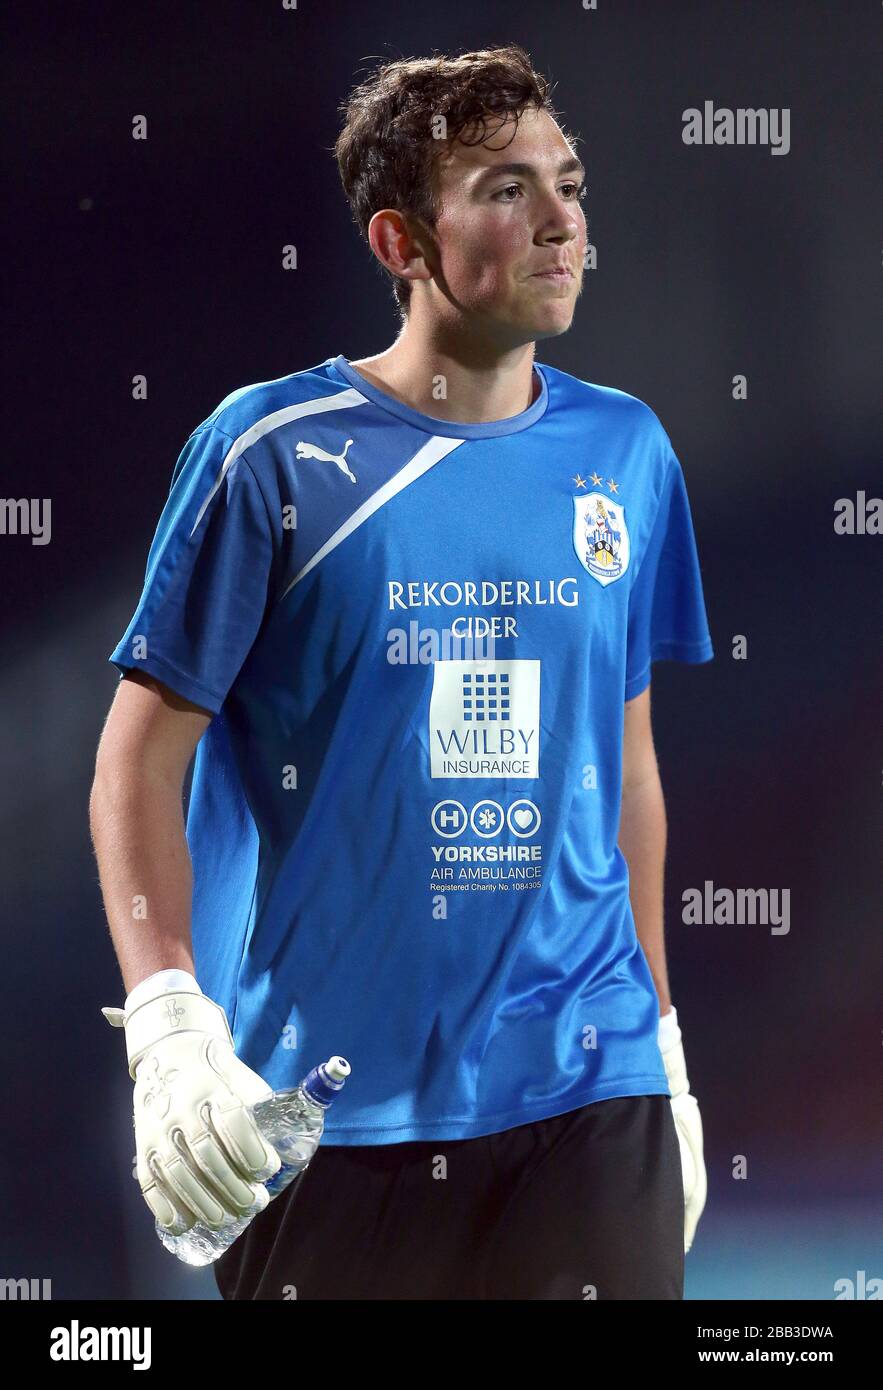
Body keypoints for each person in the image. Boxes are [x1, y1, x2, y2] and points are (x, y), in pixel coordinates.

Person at [90, 44, 712, 1300]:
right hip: (324, 1118)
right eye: (503, 188)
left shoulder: (628, 453)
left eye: (569, 183)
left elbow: (624, 768)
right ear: (399, 244)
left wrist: (660, 1035)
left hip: (590, 1092)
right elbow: (134, 764)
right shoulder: (267, 454)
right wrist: (165, 1022)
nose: (560, 222)